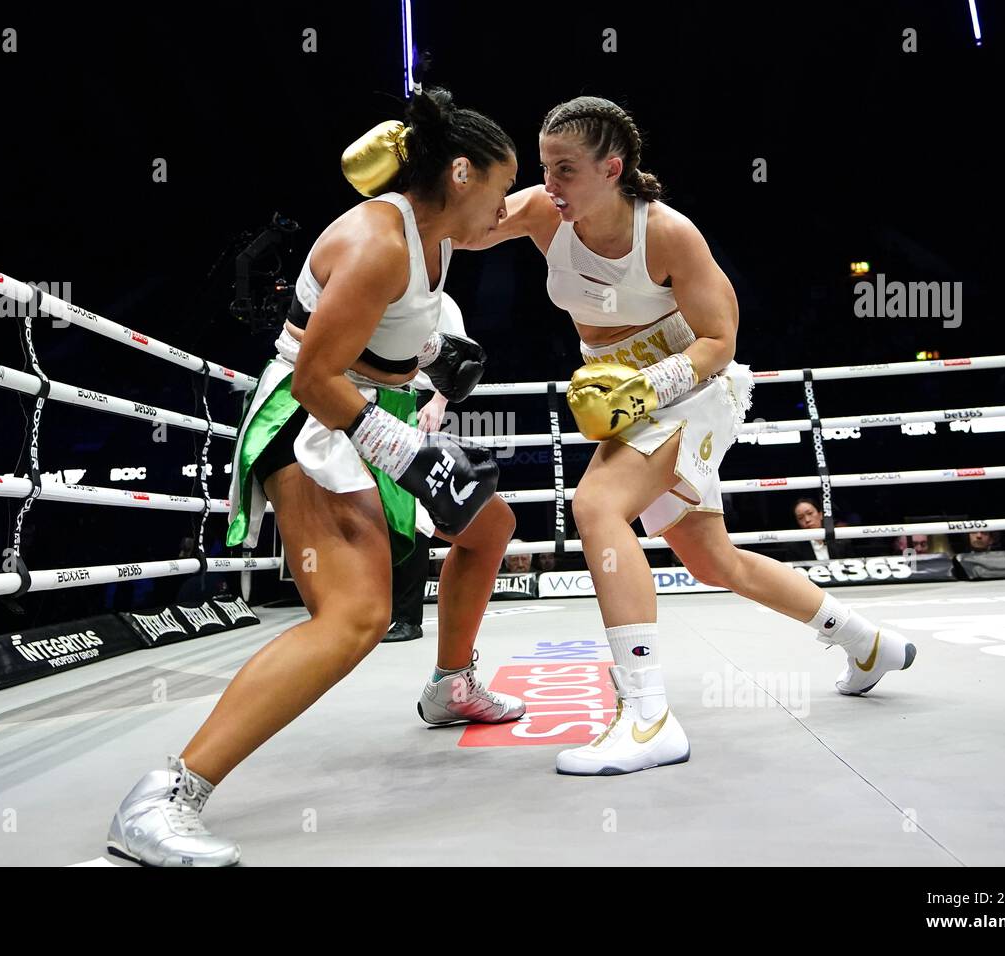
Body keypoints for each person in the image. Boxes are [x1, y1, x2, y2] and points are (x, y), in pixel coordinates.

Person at [108, 89, 524, 866]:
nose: (505, 210)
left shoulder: (440, 232)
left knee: (488, 526)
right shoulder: (378, 242)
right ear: (463, 175)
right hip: (312, 417)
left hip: (367, 409)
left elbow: (536, 212)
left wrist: (429, 359)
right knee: (354, 614)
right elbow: (314, 380)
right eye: (500, 190)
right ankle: (165, 795)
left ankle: (451, 685)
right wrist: (403, 451)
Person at [458, 95, 915, 775]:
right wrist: (425, 180)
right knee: (710, 560)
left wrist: (651, 386)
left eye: (565, 170)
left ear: (612, 168)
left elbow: (720, 340)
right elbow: (456, 231)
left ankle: (648, 717)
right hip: (626, 398)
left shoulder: (668, 234)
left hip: (694, 388)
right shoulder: (537, 211)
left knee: (595, 505)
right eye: (544, 166)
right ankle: (868, 642)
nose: (548, 184)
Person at [384, 292, 470, 644]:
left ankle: (407, 617)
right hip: (378, 399)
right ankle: (381, 611)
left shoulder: (441, 302)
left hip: (418, 405)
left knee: (411, 508)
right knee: (376, 505)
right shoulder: (384, 293)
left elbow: (461, 359)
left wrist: (438, 401)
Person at [784, 496, 854, 561]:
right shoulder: (794, 548)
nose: (807, 520)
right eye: (800, 518)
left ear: (820, 514)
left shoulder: (841, 540)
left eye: (810, 513)